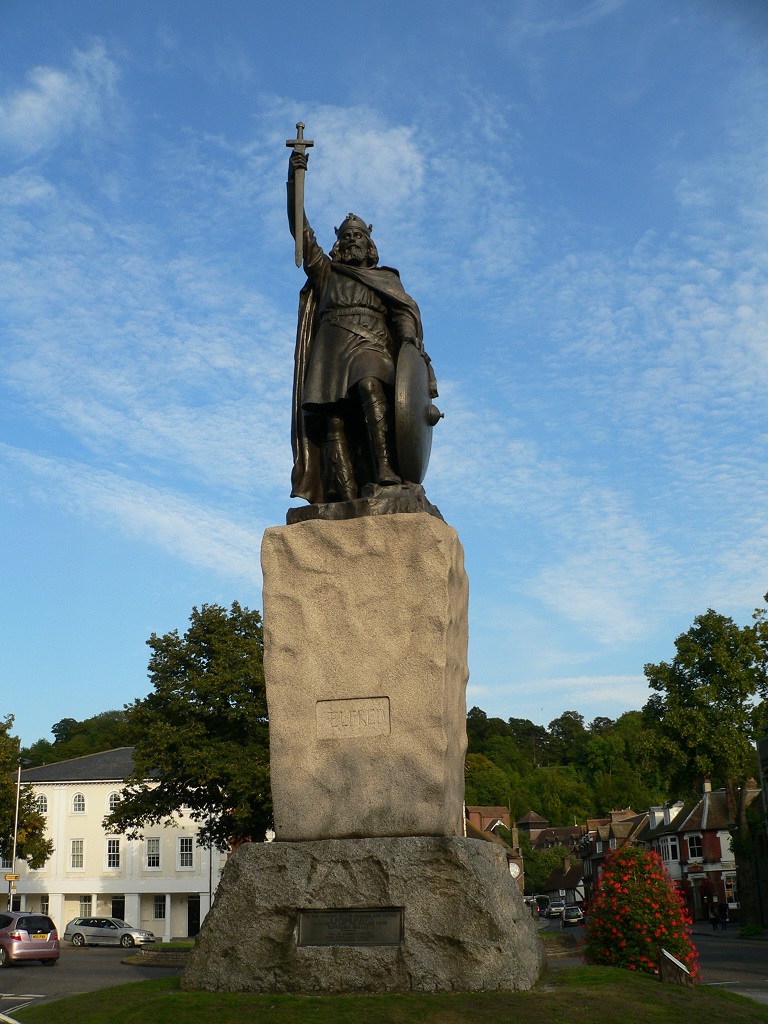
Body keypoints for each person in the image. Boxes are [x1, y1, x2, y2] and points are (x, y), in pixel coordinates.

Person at [287, 150, 436, 504]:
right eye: (348, 237)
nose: (353, 241)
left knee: (371, 386)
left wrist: (410, 342)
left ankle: (386, 469)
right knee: (333, 420)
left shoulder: (386, 279)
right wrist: (295, 180)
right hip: (330, 349)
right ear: (339, 245)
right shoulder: (326, 271)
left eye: (359, 238)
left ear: (370, 247)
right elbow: (300, 229)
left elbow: (402, 313)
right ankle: (346, 495)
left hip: (371, 343)